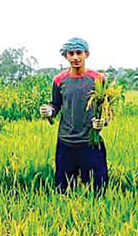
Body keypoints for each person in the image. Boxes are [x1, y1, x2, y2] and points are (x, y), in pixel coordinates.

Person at [40, 37, 108, 193]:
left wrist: (102, 121)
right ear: (66, 56)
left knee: (98, 189)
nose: (76, 57)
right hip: (66, 142)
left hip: (91, 142)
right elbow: (56, 105)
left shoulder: (98, 79)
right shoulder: (59, 80)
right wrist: (49, 111)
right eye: (71, 53)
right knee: (63, 189)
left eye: (79, 52)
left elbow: (106, 109)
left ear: (87, 54)